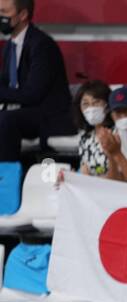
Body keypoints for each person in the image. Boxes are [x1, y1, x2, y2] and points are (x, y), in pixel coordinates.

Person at [0, 0, 74, 163]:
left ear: (23, 15)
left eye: (4, 12)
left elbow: (33, 94)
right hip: (25, 113)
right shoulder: (9, 46)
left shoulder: (41, 45)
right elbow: (6, 84)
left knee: (6, 120)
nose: (0, 17)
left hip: (50, 115)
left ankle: (6, 180)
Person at [72, 80, 112, 177]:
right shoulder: (85, 138)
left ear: (107, 105)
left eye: (96, 102)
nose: (91, 108)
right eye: (85, 104)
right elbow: (85, 168)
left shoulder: (117, 132)